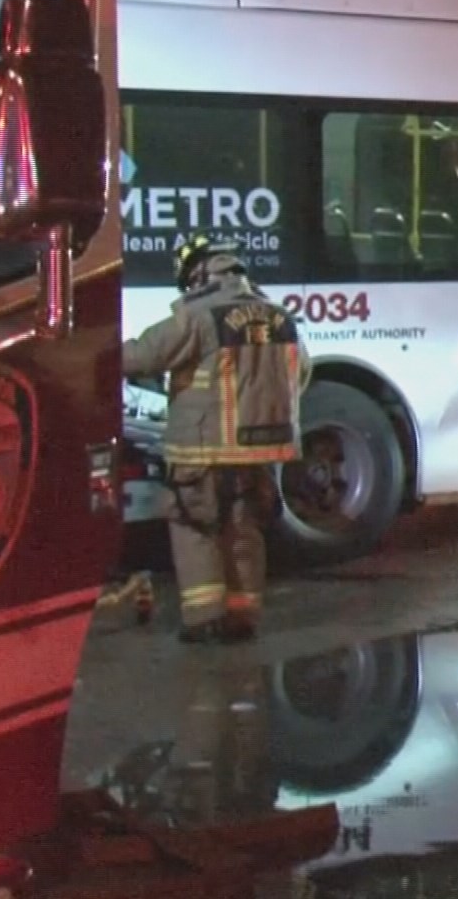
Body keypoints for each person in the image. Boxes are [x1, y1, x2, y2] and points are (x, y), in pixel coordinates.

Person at [123, 235, 310, 644]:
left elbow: (141, 357)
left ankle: (205, 617)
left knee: (195, 526)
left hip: (204, 448)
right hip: (260, 450)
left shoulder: (197, 315)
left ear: (198, 273)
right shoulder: (281, 316)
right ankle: (243, 618)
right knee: (243, 528)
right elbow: (302, 374)